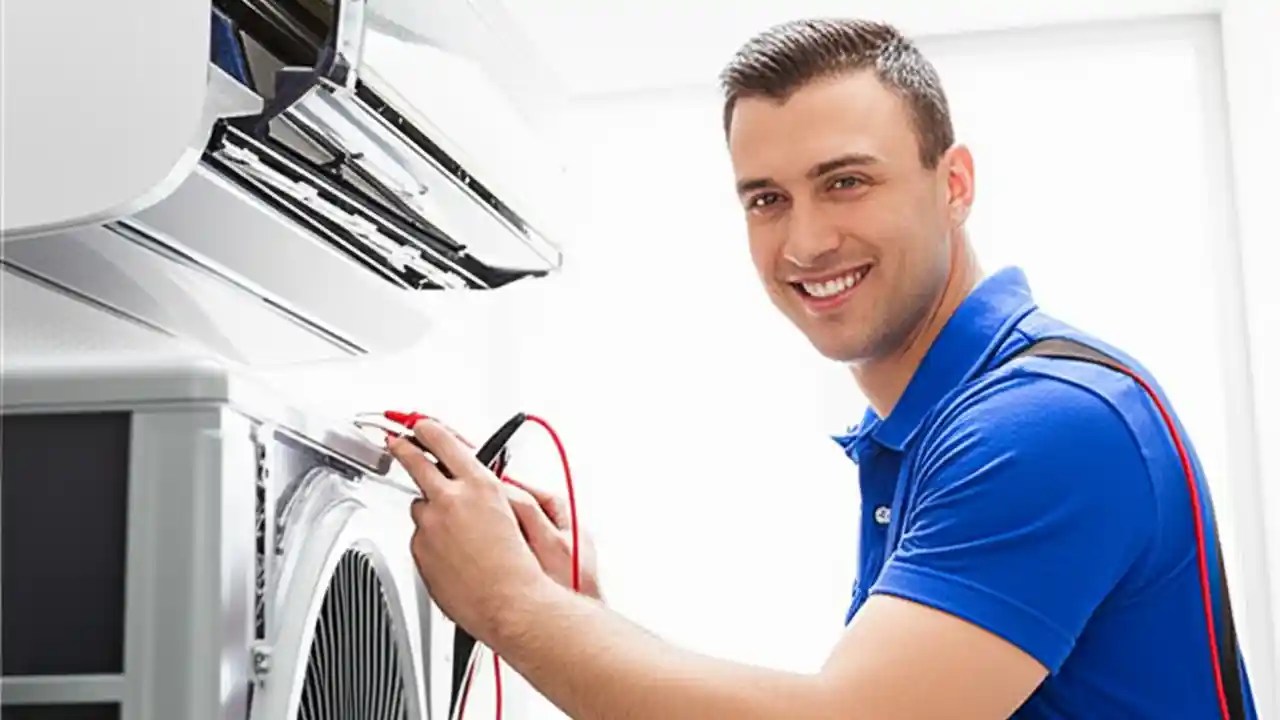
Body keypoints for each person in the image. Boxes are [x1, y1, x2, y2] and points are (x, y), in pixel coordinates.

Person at [387, 18, 1258, 719]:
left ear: (953, 183)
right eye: (767, 198)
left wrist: (512, 608)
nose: (804, 242)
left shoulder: (1045, 425)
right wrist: (580, 617)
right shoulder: (939, 430)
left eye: (845, 182)